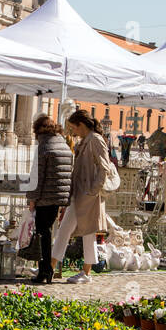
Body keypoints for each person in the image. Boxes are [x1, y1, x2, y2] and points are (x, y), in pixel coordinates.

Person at [51, 108, 108, 284]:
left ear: (81, 125)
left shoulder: (95, 140)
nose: (72, 131)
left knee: (81, 231)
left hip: (87, 194)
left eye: (73, 127)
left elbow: (104, 167)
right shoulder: (86, 140)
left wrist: (93, 190)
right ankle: (55, 267)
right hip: (81, 193)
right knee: (73, 231)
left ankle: (81, 271)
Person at [24, 114, 73, 284]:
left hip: (45, 196)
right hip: (58, 197)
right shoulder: (64, 145)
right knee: (47, 233)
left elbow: (37, 176)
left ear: (38, 130)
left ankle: (45, 271)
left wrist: (32, 199)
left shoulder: (44, 146)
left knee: (42, 234)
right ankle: (47, 270)